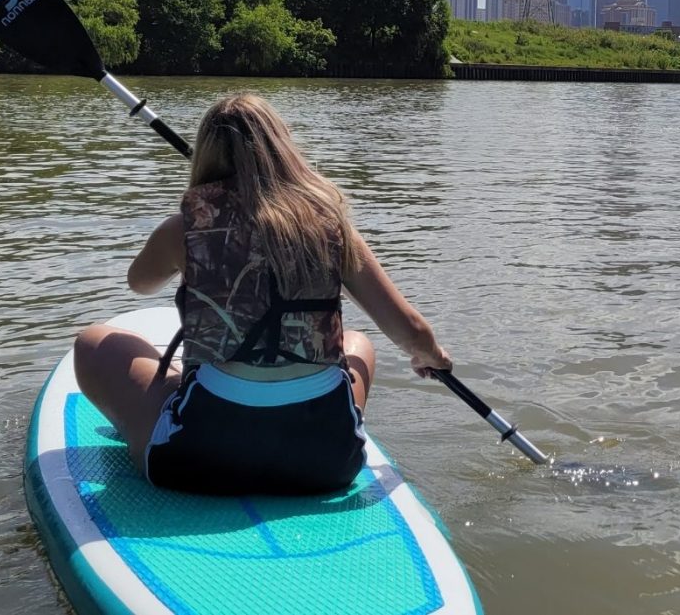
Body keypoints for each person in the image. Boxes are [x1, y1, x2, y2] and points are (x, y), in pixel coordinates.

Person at [72, 93, 452, 495]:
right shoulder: (333, 228)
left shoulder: (183, 229)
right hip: (327, 463)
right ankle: (312, 427)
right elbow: (411, 330)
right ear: (283, 148)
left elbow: (140, 284)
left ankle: (152, 423)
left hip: (199, 459)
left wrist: (191, 251)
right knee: (360, 345)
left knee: (94, 343)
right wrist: (433, 357)